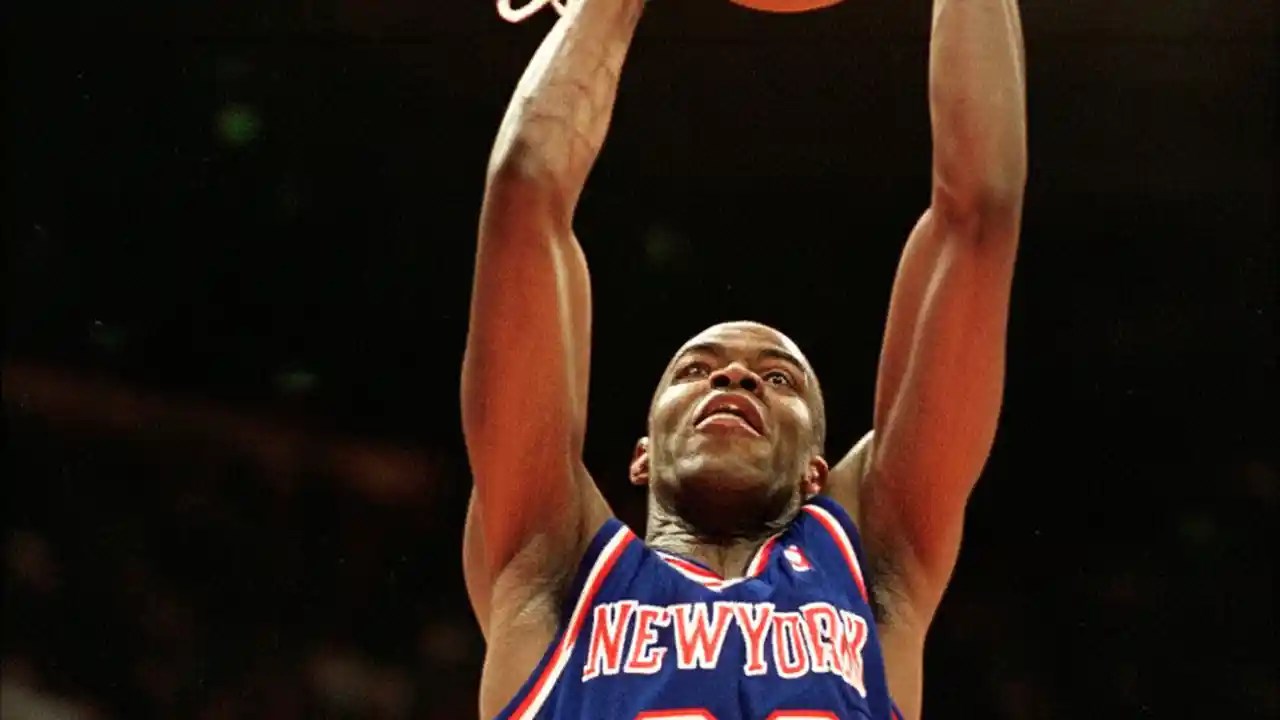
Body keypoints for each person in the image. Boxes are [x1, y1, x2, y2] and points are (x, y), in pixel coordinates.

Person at [460, 0, 1026, 716]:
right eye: (694, 370)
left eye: (778, 379)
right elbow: (524, 192)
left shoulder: (873, 575)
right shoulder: (551, 571)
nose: (733, 376)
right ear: (640, 455)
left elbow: (980, 215)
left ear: (816, 471)